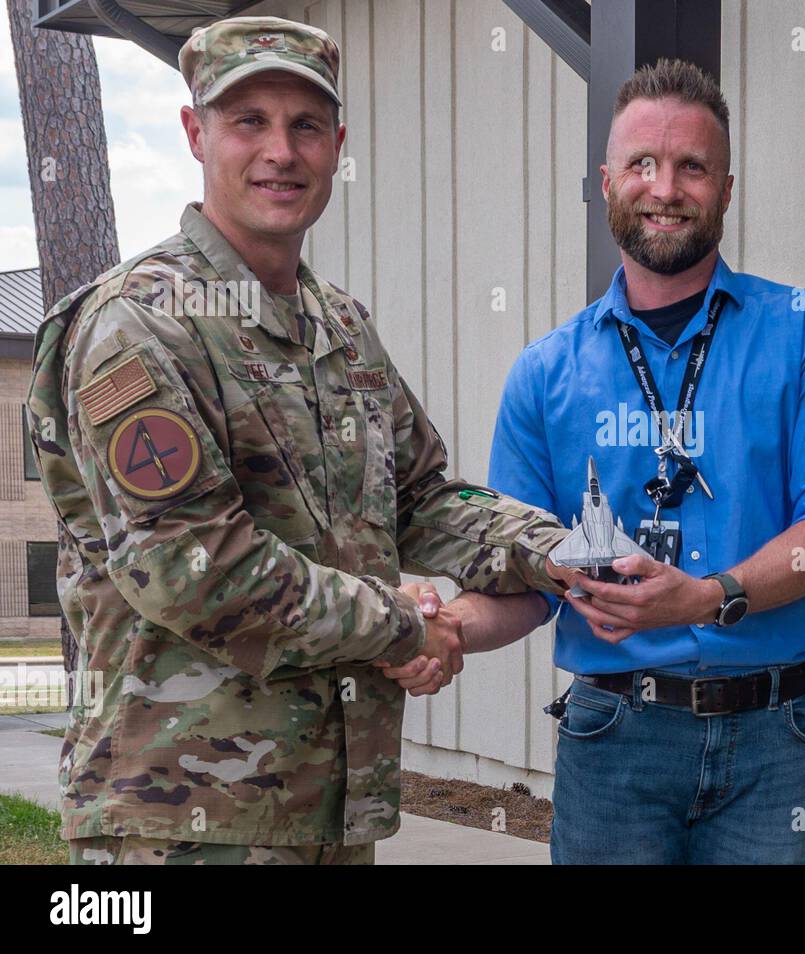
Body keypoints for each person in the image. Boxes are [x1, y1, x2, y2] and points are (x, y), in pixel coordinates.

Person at [26, 15, 577, 865]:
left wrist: (561, 555)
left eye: (305, 125)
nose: (280, 150)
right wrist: (404, 626)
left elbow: (422, 498)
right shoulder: (138, 325)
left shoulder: (341, 329)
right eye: (249, 121)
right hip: (176, 826)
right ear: (194, 134)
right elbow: (193, 567)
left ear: (337, 145)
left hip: (326, 812)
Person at [488, 59, 805, 865]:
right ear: (607, 183)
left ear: (726, 188)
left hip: (773, 737)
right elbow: (519, 563)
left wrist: (708, 597)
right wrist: (432, 626)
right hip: (613, 738)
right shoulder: (544, 372)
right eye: (642, 164)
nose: (664, 188)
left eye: (691, 166)